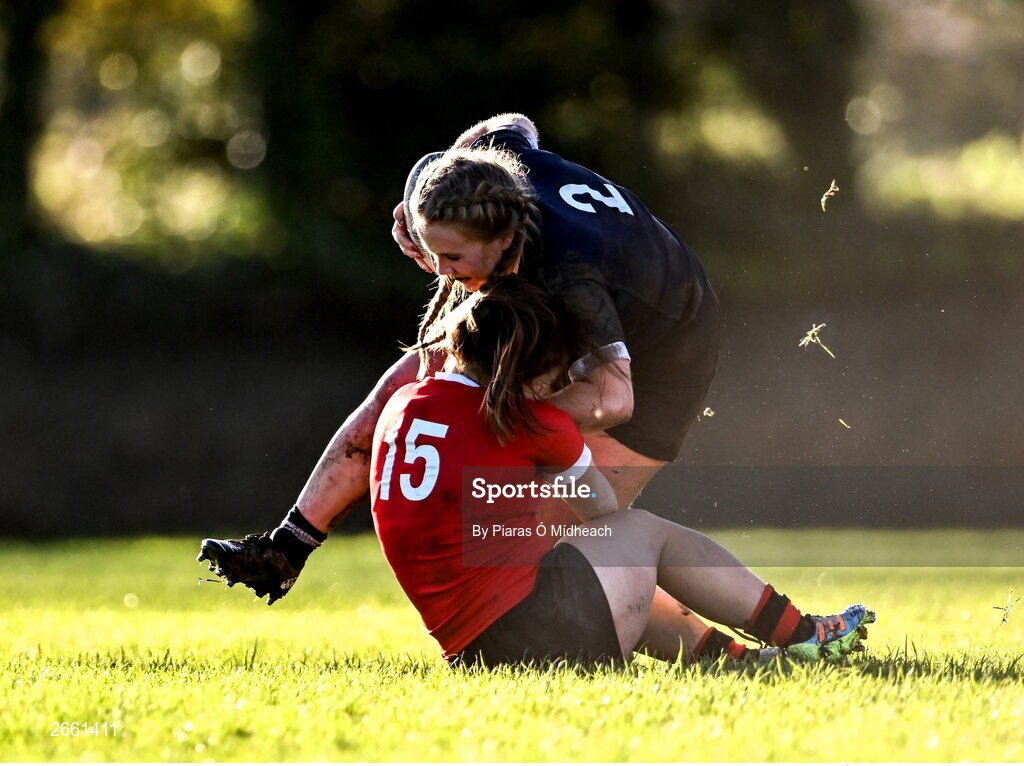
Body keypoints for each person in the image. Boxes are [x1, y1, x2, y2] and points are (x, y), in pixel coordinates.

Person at [197, 114, 765, 660]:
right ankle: (288, 545)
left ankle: (730, 651)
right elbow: (515, 122)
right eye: (428, 249)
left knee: (562, 534)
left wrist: (502, 415)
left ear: (502, 239)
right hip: (548, 289)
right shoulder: (474, 178)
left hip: (666, 350)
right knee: (401, 392)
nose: (441, 272)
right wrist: (428, 200)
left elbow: (615, 399)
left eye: (451, 256)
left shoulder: (571, 274)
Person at [345, 276, 875, 665]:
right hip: (531, 640)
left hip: (473, 651)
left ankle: (737, 661)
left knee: (585, 563)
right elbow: (604, 514)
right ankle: (802, 633)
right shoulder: (529, 417)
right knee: (639, 532)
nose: (563, 388)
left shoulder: (403, 403)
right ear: (523, 371)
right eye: (559, 375)